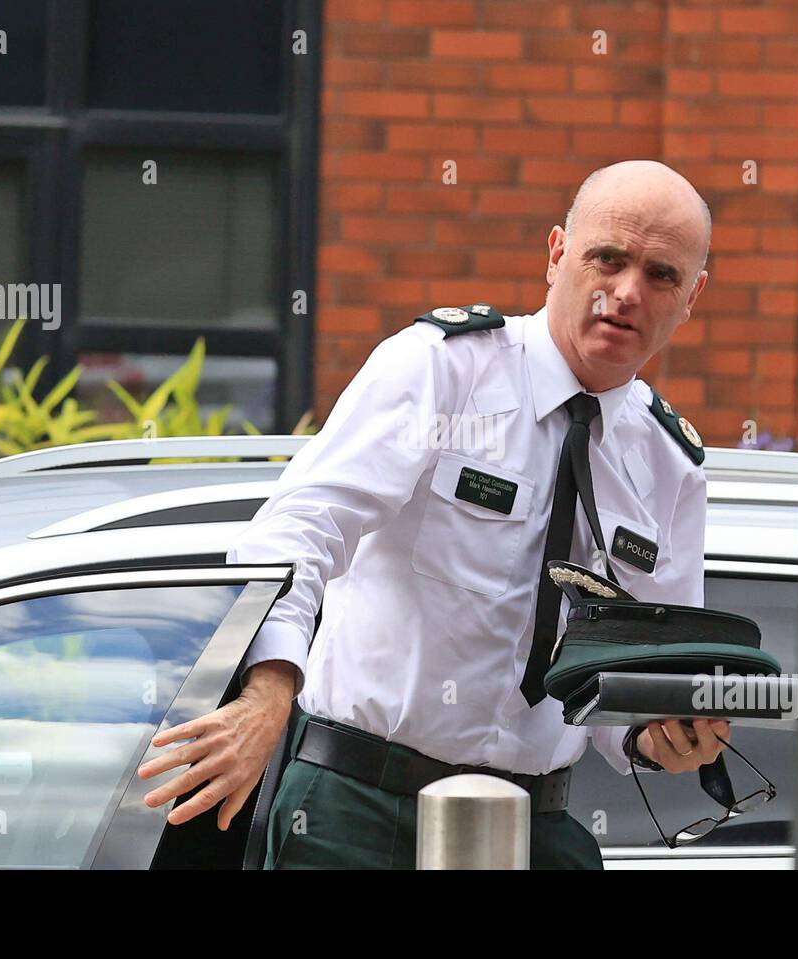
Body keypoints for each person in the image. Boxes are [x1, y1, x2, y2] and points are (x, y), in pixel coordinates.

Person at [136, 159, 732, 869]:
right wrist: (269, 687)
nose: (627, 291)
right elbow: (301, 529)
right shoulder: (443, 370)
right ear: (556, 254)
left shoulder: (670, 464)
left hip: (535, 827)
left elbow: (639, 673)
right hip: (357, 812)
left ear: (692, 296)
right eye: (608, 257)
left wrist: (659, 733)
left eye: (661, 274)